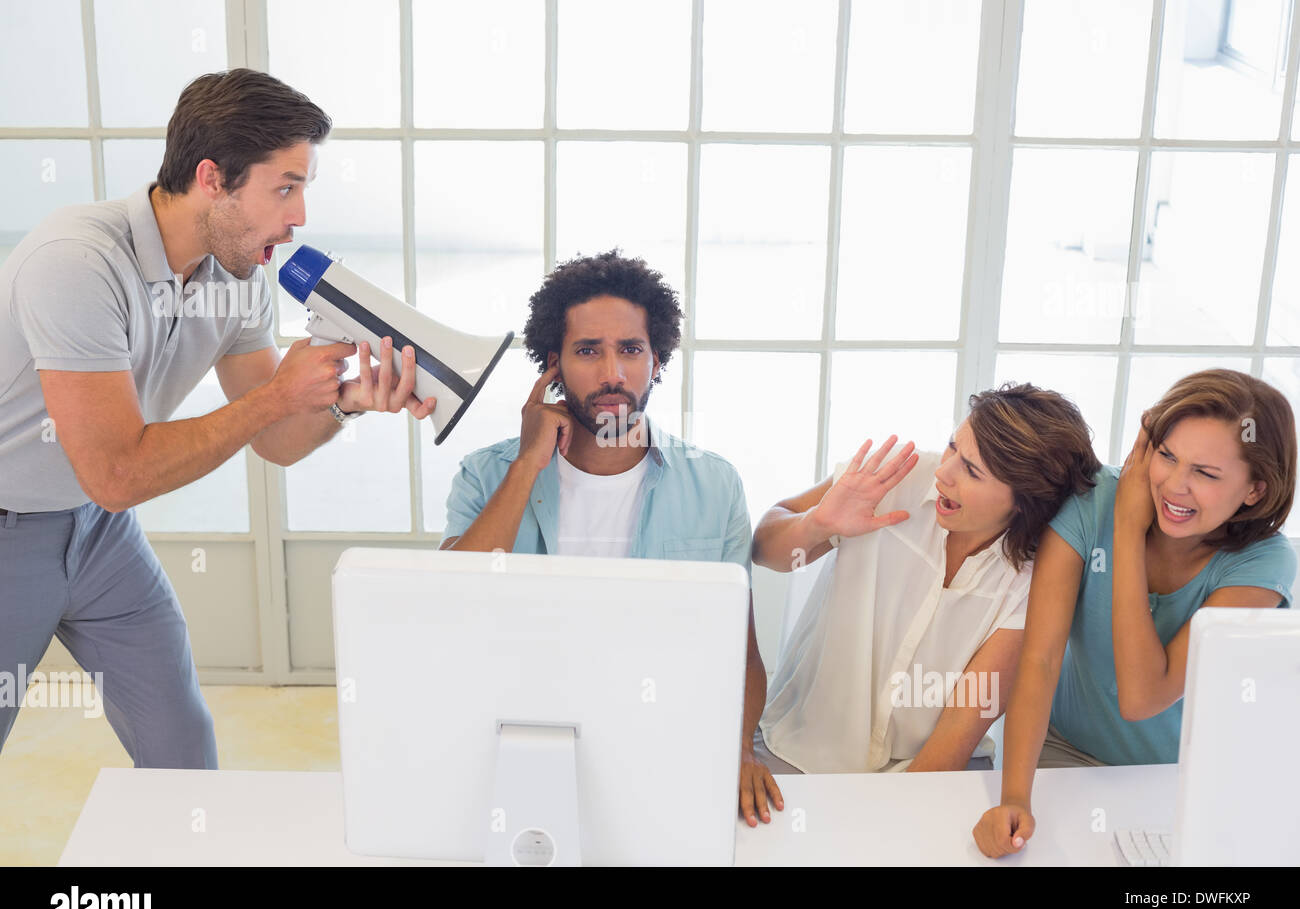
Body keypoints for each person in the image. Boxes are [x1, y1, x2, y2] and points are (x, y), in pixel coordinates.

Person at [0, 69, 436, 768]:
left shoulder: (235, 281)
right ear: (213, 178)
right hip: (12, 527)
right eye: (285, 187)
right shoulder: (76, 263)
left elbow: (276, 442)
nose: (298, 218)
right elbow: (117, 471)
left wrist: (342, 400)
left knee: (182, 745)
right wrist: (276, 396)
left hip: (99, 534)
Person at [440, 250, 767, 783]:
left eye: (631, 350)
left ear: (656, 361)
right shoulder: (486, 474)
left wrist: (741, 749)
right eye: (588, 351)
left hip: (656, 734)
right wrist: (527, 465)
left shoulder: (715, 485)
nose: (612, 374)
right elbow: (450, 602)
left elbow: (741, 650)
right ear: (554, 366)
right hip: (518, 730)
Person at [741, 384, 1101, 828]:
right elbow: (763, 549)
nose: (944, 473)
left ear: (1025, 500)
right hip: (795, 748)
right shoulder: (895, 481)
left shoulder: (1036, 579)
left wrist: (888, 829)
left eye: (971, 470)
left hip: (933, 773)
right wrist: (817, 525)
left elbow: (957, 733)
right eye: (953, 446)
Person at [973, 369, 1297, 859]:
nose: (1174, 485)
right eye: (1167, 455)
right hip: (1059, 753)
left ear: (1255, 489)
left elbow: (1142, 698)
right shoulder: (1089, 501)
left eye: (1206, 474)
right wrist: (1014, 796)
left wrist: (1127, 528)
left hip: (1176, 776)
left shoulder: (1262, 563)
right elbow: (1038, 661)